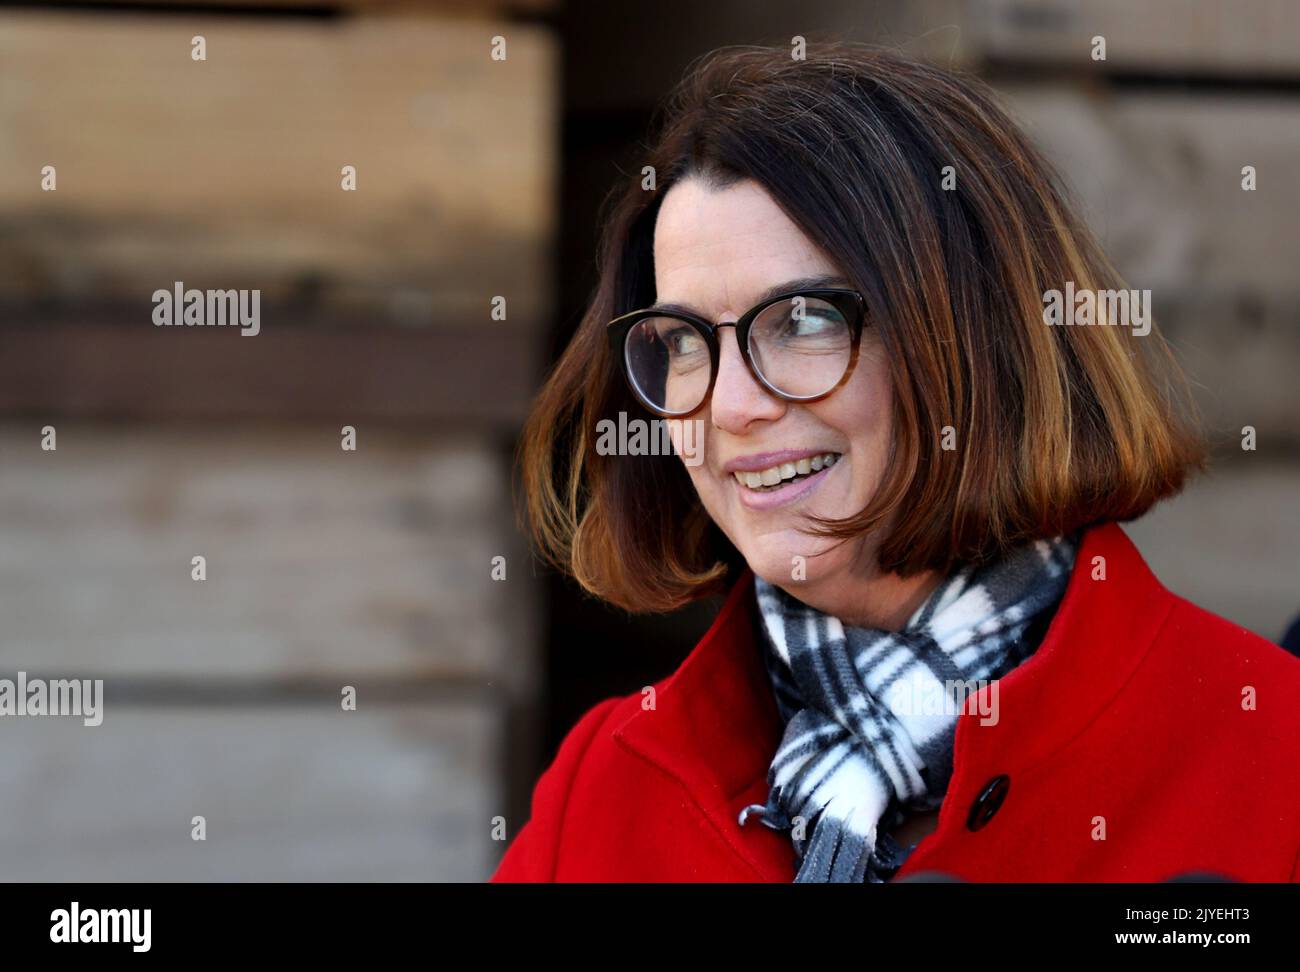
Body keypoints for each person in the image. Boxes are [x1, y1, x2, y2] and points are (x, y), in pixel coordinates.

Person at [491, 42, 1300, 882]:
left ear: (982, 337)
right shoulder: (605, 783)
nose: (730, 407)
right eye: (686, 343)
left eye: (802, 321)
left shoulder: (1273, 746)